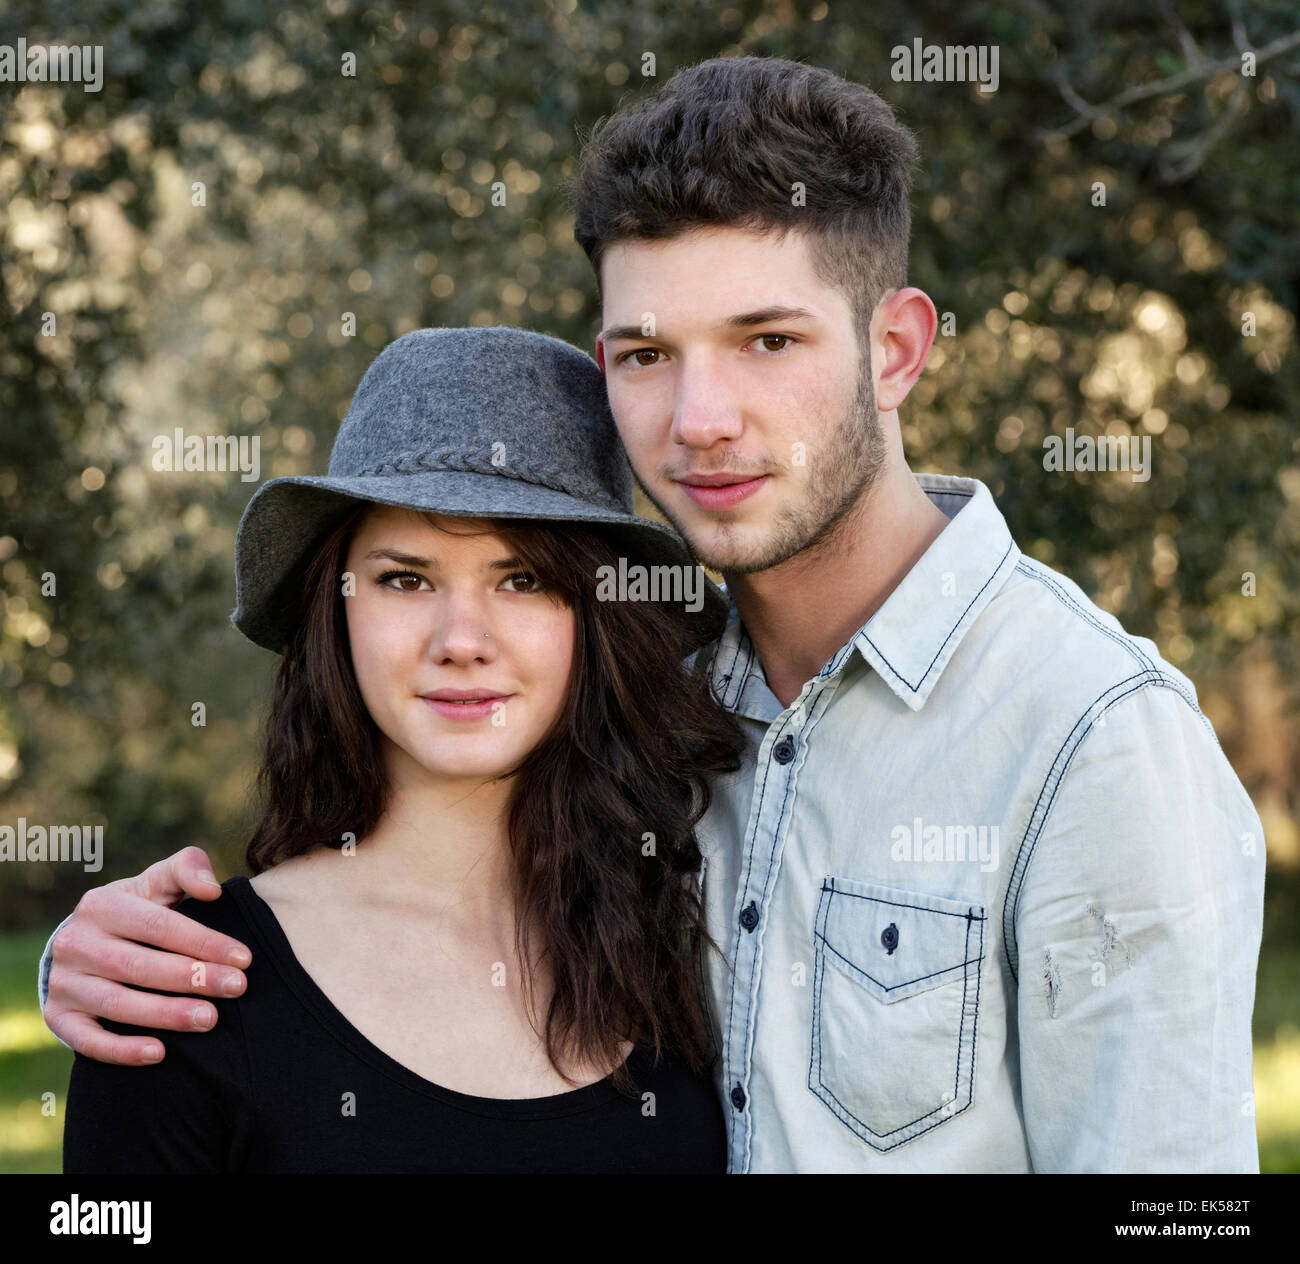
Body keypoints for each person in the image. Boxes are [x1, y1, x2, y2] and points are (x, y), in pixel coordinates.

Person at [42, 57, 1266, 1173]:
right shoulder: (652, 718)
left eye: (766, 340)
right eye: (645, 354)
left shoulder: (1093, 743)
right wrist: (100, 955)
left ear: (894, 349)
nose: (699, 420)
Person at [57, 324, 748, 1173]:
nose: (461, 641)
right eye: (405, 579)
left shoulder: (695, 936)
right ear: (336, 610)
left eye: (523, 579)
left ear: (599, 618)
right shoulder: (180, 987)